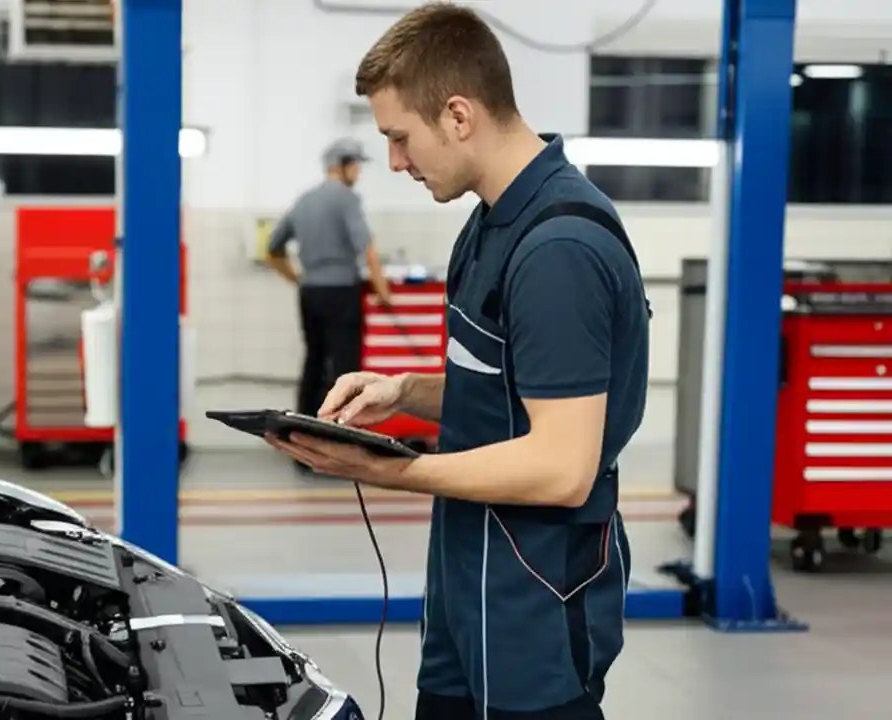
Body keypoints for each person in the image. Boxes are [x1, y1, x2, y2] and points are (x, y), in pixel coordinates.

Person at [265, 4, 650, 720]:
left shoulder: (558, 248)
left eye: (401, 138)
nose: (396, 162)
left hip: (537, 595)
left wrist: (387, 470)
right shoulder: (487, 225)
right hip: (466, 575)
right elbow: (513, 387)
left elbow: (563, 467)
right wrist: (405, 390)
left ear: (459, 115)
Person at [265, 138, 394, 434]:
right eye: (357, 166)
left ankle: (302, 439)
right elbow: (367, 247)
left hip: (310, 294)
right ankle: (340, 438)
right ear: (343, 165)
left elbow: (272, 248)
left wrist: (297, 279)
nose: (358, 173)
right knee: (345, 368)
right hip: (341, 294)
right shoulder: (346, 199)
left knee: (313, 362)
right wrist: (383, 291)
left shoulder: (304, 200)